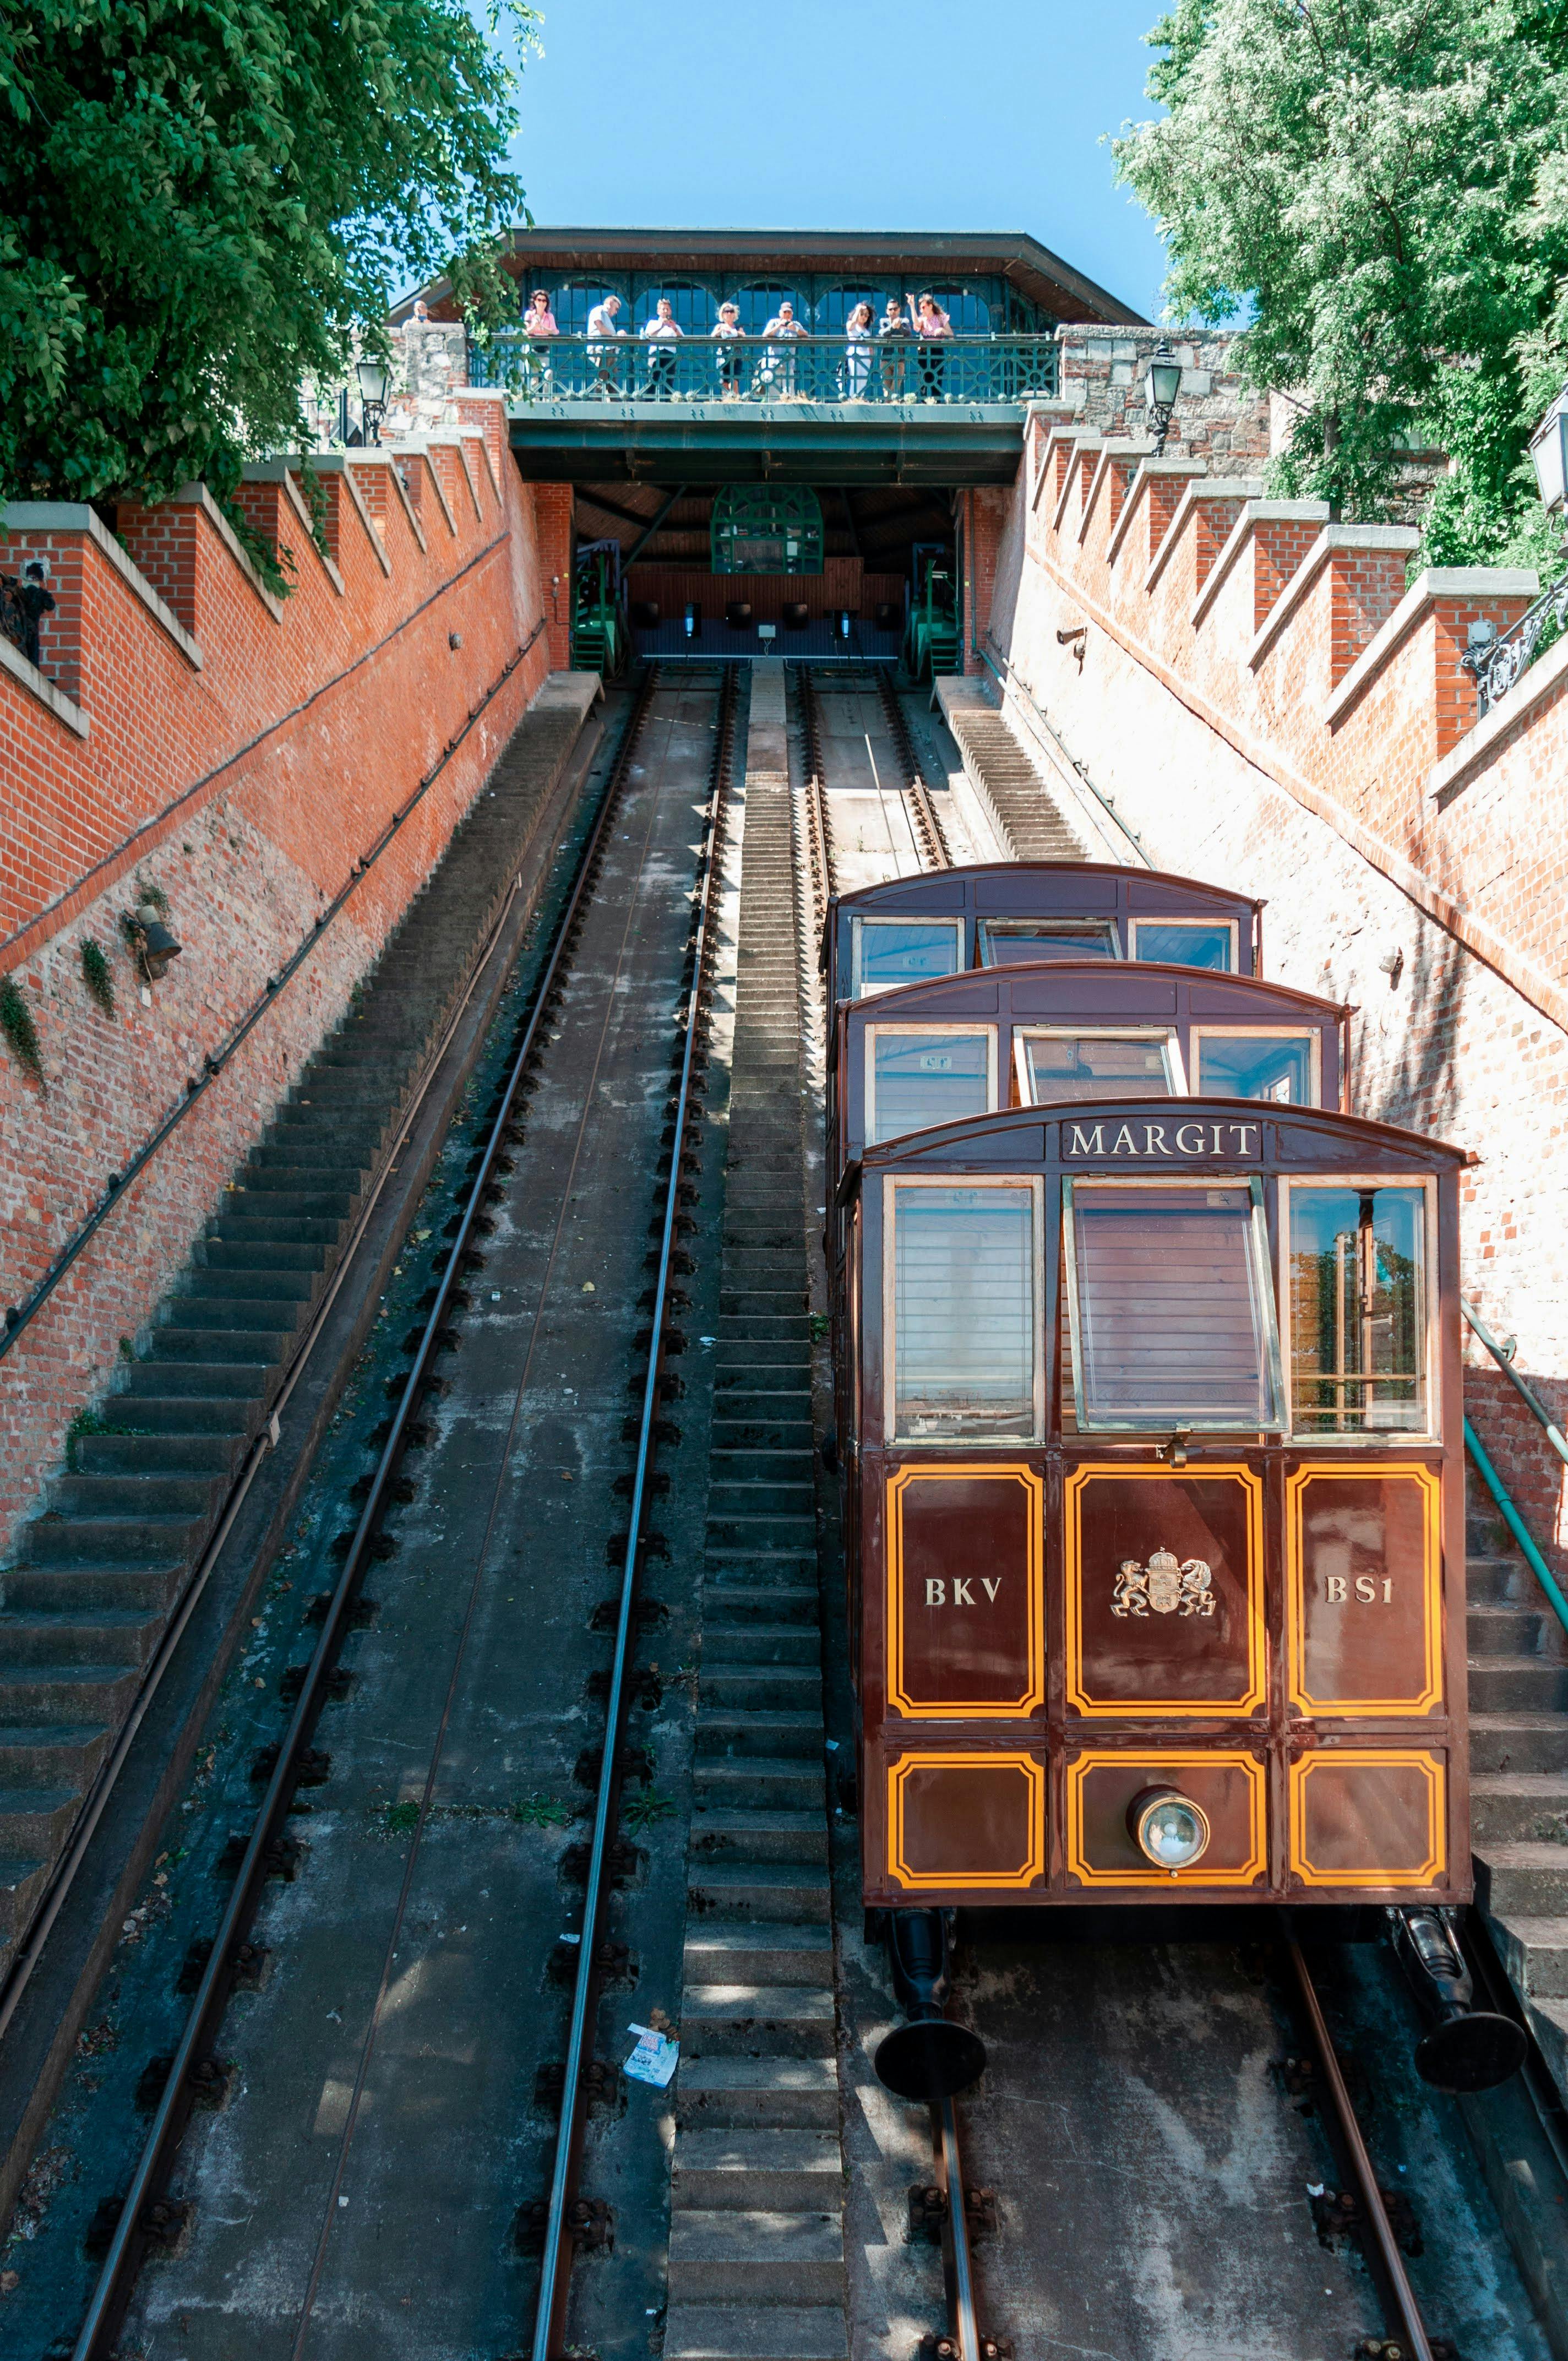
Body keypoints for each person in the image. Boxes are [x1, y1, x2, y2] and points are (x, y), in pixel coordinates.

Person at [759, 300, 809, 398]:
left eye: (789, 312)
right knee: (773, 396)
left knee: (789, 396)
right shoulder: (774, 323)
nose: (787, 315)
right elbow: (765, 336)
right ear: (780, 313)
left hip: (788, 365)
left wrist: (796, 329)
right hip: (773, 365)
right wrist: (778, 327)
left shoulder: (795, 324)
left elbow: (806, 336)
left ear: (792, 314)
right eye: (785, 312)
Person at [910, 292, 954, 400]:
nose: (922, 310)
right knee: (923, 378)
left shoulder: (940, 318)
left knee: (936, 377)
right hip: (924, 351)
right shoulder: (922, 320)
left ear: (930, 306)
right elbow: (916, 323)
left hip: (937, 350)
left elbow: (951, 336)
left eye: (924, 307)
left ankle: (936, 400)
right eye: (920, 308)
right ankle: (924, 401)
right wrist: (912, 306)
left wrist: (942, 330)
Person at [640, 297, 684, 397]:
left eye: (667, 309)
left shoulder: (675, 326)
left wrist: (674, 328)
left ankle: (669, 400)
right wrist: (661, 326)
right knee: (652, 378)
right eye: (663, 309)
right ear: (658, 311)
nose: (665, 311)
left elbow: (682, 339)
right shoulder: (653, 323)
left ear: (671, 311)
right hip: (655, 353)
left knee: (669, 379)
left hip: (670, 354)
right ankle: (649, 400)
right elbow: (648, 336)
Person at [585, 293, 625, 394]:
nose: (616, 312)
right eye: (616, 308)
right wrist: (616, 336)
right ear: (611, 303)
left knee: (612, 381)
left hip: (609, 350)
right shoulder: (599, 310)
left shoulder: (605, 315)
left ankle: (614, 401)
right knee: (602, 379)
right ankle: (598, 401)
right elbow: (600, 327)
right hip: (602, 350)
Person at [522, 287, 557, 394]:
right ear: (534, 301)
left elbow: (555, 331)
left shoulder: (549, 316)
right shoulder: (529, 314)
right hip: (532, 349)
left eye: (544, 300)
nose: (542, 303)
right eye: (539, 300)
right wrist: (534, 326)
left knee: (549, 375)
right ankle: (535, 399)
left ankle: (547, 399)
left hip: (545, 350)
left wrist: (543, 328)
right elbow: (525, 332)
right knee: (534, 378)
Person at [876, 295, 913, 400]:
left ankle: (890, 404)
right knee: (886, 388)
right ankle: (890, 405)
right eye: (890, 309)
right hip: (886, 359)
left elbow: (908, 334)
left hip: (899, 360)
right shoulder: (884, 322)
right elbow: (882, 334)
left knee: (895, 388)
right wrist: (892, 327)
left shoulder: (904, 321)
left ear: (899, 310)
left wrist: (900, 327)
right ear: (887, 311)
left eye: (895, 309)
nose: (893, 311)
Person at [711, 302, 745, 398]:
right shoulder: (720, 326)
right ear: (723, 314)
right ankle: (726, 401)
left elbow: (743, 335)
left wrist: (733, 332)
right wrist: (722, 330)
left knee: (735, 381)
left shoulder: (738, 327)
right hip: (723, 357)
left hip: (737, 357)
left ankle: (736, 400)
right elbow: (713, 336)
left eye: (731, 311)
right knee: (724, 382)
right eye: (726, 311)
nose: (729, 313)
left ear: (735, 314)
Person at [843, 301, 874, 400]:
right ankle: (853, 399)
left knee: (864, 380)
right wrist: (858, 310)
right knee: (855, 378)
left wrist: (871, 358)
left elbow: (870, 347)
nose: (864, 317)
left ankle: (860, 398)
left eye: (866, 315)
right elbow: (851, 326)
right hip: (854, 356)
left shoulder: (867, 332)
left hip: (865, 357)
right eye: (862, 314)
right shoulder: (851, 325)